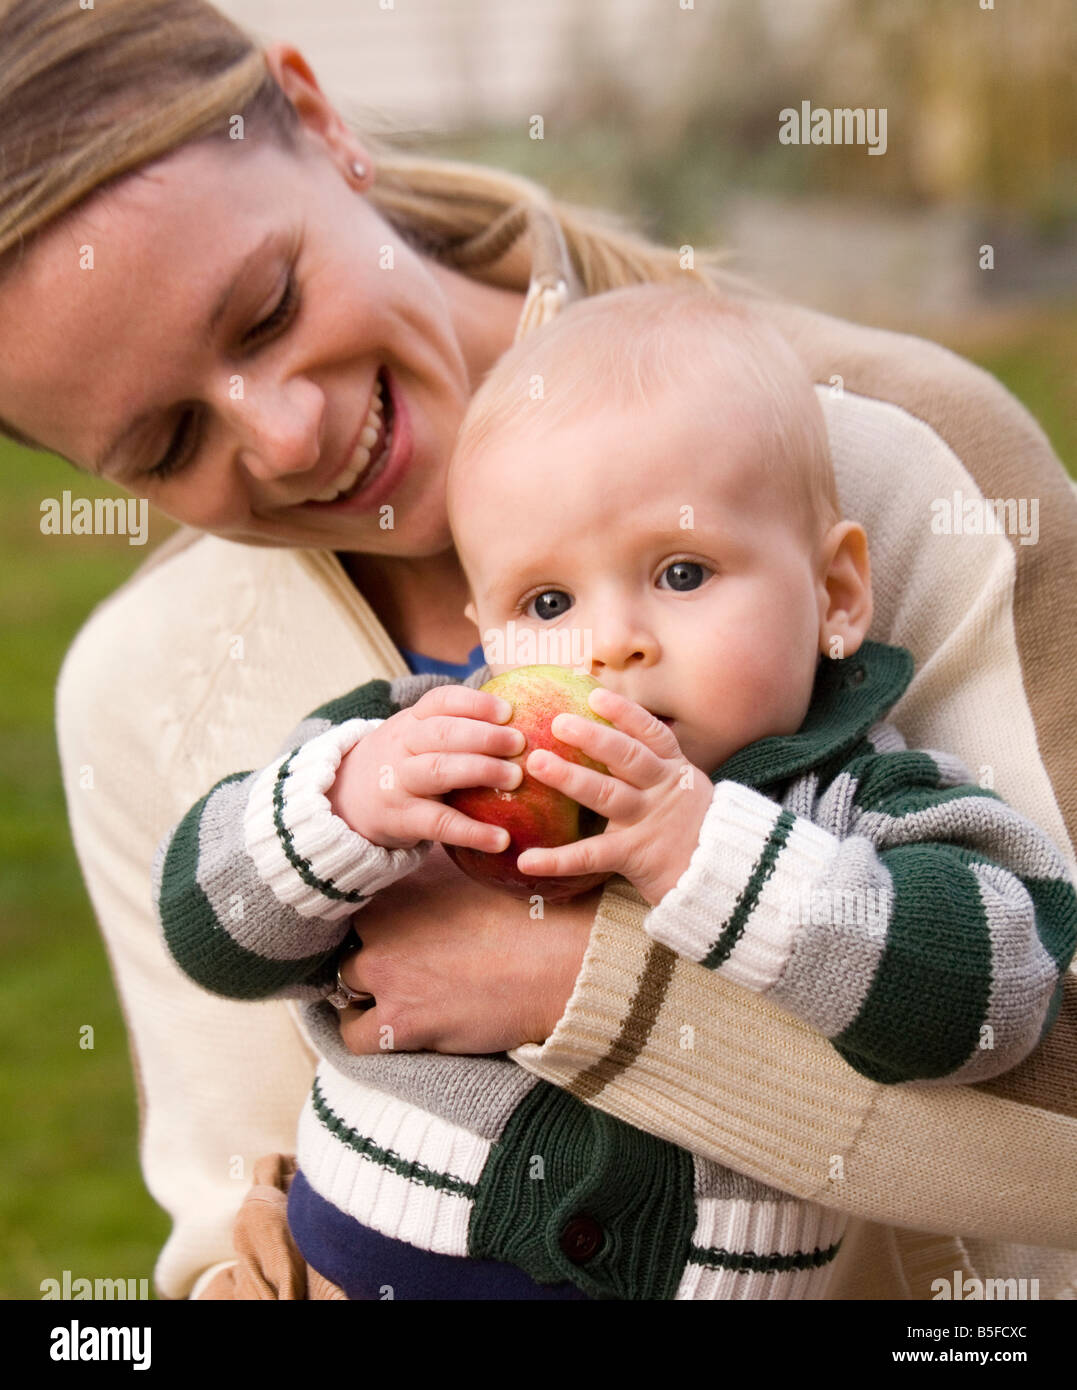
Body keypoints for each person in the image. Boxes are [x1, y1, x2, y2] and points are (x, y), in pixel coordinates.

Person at [0, 0, 1073, 1299]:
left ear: (324, 121)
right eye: (166, 444)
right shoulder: (146, 683)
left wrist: (591, 988)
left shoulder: (902, 459)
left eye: (268, 306)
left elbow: (1030, 1038)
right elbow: (226, 1211)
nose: (282, 437)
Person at [152, 286, 1077, 1299]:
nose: (609, 643)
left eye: (682, 572)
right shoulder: (423, 757)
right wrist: (342, 807)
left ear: (836, 595)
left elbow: (997, 992)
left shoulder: (856, 802)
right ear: (489, 638)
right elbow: (210, 927)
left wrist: (703, 852)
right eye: (547, 602)